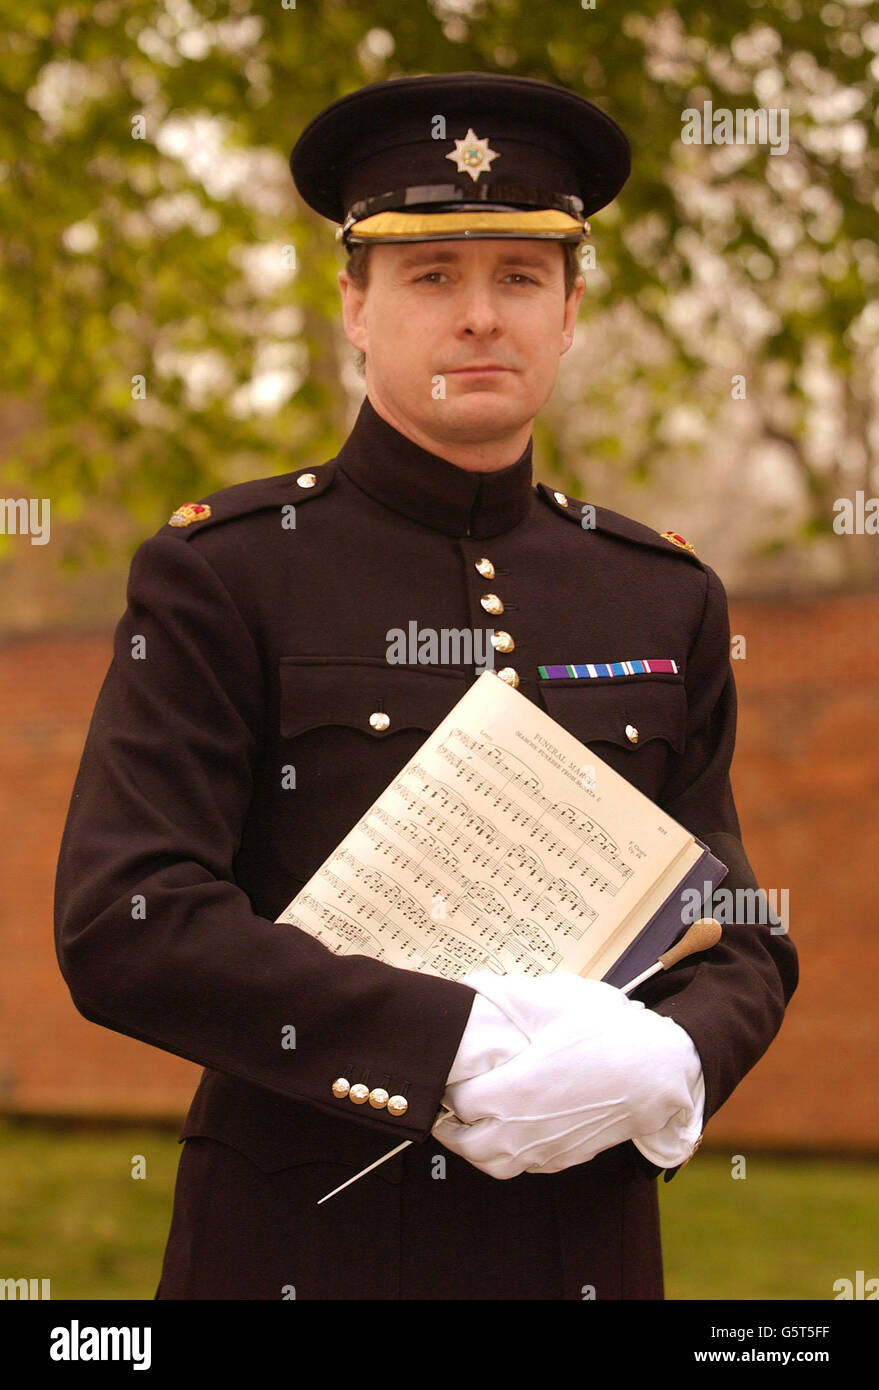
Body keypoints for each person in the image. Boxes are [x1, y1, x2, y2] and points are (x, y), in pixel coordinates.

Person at [54, 72, 798, 1301]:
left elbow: (736, 921)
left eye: (518, 276)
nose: (479, 318)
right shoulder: (224, 576)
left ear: (569, 311)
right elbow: (128, 918)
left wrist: (682, 1056)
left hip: (587, 1258)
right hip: (303, 1245)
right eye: (431, 274)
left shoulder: (666, 596)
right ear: (354, 303)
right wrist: (448, 1043)